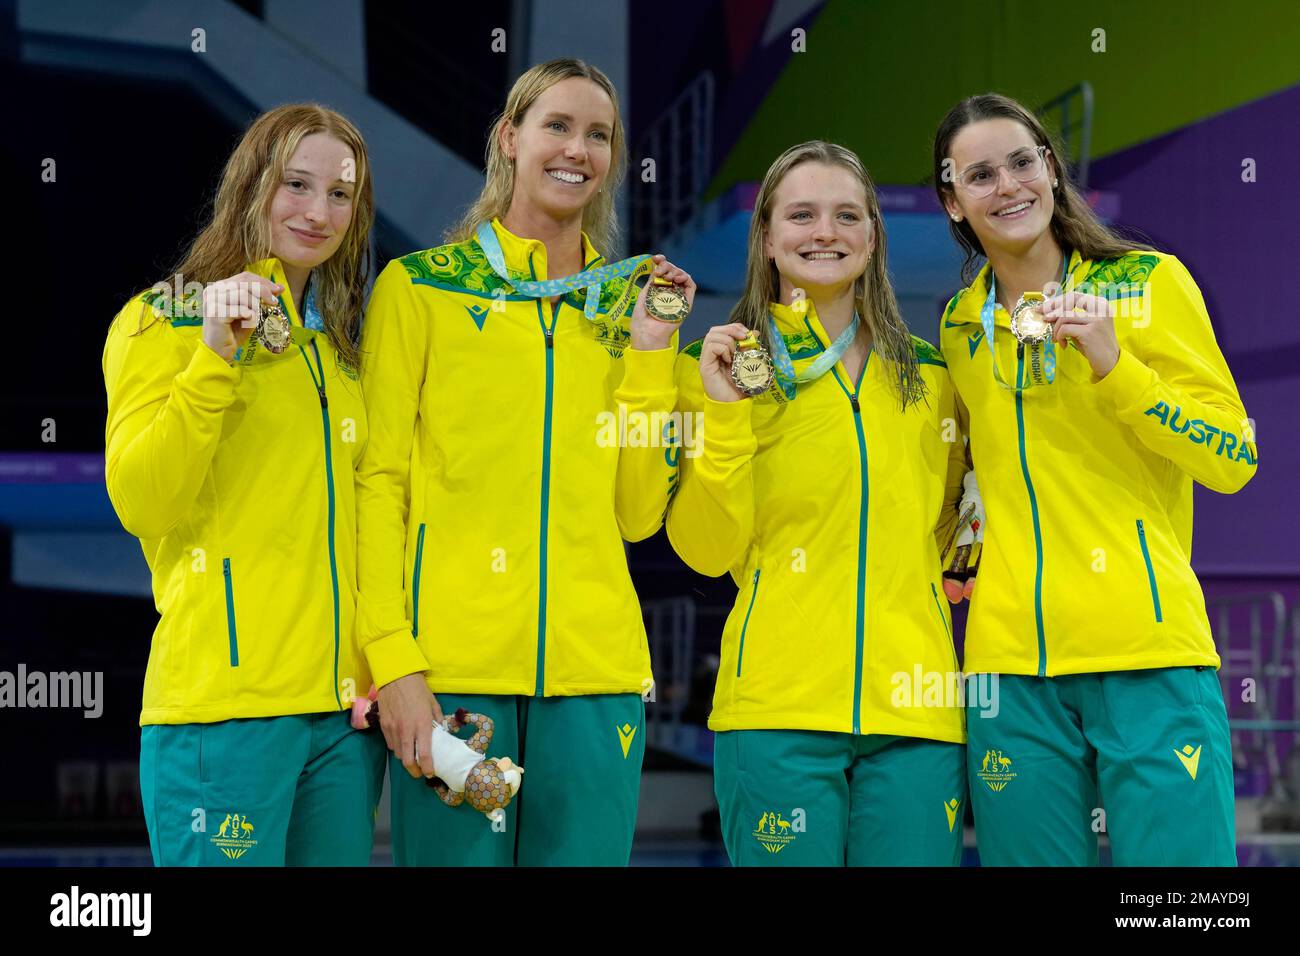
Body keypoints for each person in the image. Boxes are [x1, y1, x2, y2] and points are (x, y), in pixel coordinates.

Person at [355, 58, 691, 866]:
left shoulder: (628, 306)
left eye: (599, 135)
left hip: (595, 676)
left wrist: (650, 358)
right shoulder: (421, 289)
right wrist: (394, 661)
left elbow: (639, 514)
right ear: (509, 138)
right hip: (453, 674)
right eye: (558, 126)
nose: (578, 149)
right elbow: (377, 484)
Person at [933, 93, 1256, 865]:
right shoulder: (957, 326)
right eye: (981, 174)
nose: (1008, 186)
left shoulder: (1148, 282)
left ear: (1050, 168)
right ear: (953, 201)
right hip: (1010, 675)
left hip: (1147, 652)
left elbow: (1232, 458)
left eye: (1022, 161)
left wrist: (1117, 368)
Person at [666, 141, 970, 866]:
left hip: (918, 716)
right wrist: (725, 413)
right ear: (767, 237)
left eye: (846, 215)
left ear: (873, 235)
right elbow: (706, 550)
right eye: (800, 215)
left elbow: (948, 527)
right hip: (777, 712)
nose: (824, 232)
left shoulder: (932, 376)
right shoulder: (711, 368)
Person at [103, 104, 383, 865]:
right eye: (296, 183)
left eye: (340, 193)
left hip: (340, 724)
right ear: (251, 186)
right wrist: (212, 360)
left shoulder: (340, 353)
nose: (318, 211)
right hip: (222, 716)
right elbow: (141, 499)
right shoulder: (161, 320)